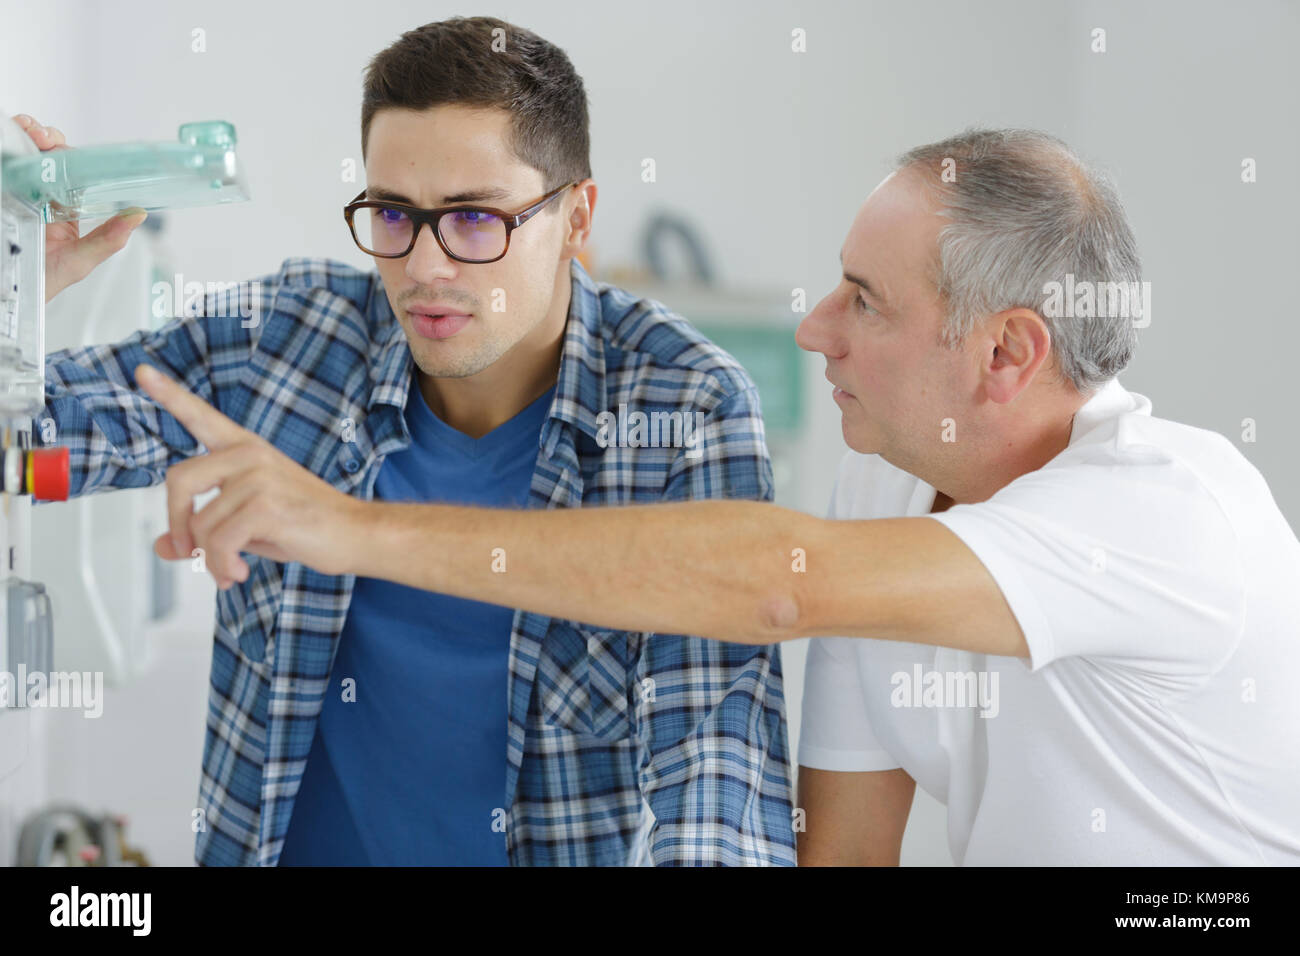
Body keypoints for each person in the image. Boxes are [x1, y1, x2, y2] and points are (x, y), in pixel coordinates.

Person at [129, 128, 1300, 866]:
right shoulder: (882, 479)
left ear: (1005, 355)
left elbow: (771, 588)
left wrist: (347, 527)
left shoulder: (1175, 511)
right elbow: (841, 845)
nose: (812, 329)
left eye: (863, 300)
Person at [25, 15, 796, 866]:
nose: (426, 267)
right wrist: (20, 281)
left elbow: (718, 777)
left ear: (577, 217)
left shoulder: (685, 408)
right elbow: (27, 441)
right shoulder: (288, 339)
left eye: (474, 220)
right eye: (394, 214)